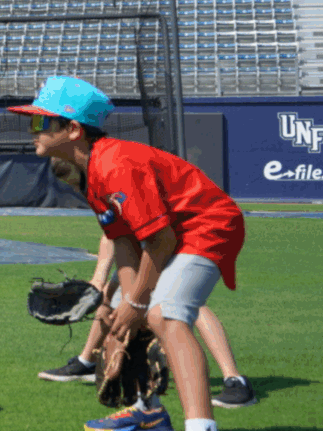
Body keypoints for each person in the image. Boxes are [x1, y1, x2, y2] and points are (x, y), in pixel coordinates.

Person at [9, 76, 242, 431]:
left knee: (165, 313)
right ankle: (148, 411)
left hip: (206, 226)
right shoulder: (90, 171)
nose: (31, 130)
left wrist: (137, 302)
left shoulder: (116, 164)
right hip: (173, 233)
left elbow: (160, 241)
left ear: (73, 130)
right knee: (122, 314)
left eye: (40, 122)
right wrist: (123, 308)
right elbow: (124, 244)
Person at [38, 162, 256, 408]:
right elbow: (113, 234)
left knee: (183, 305)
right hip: (157, 238)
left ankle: (234, 380)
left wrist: (102, 279)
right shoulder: (103, 183)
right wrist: (99, 280)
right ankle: (86, 362)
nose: (75, 188)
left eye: (74, 181)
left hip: (184, 233)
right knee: (112, 297)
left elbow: (133, 233)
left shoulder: (117, 178)